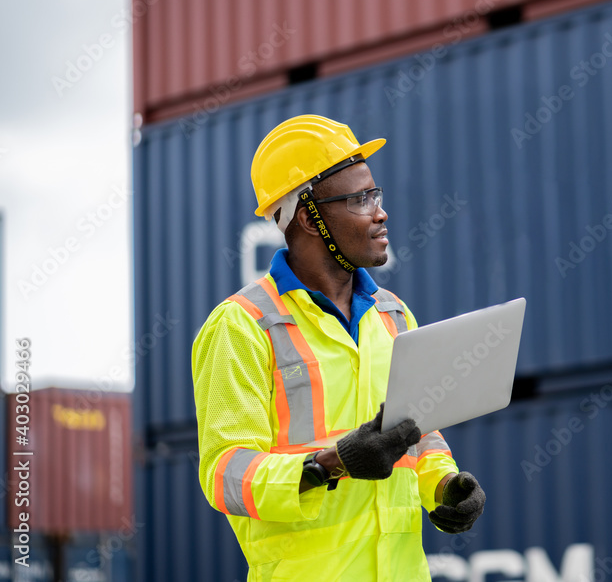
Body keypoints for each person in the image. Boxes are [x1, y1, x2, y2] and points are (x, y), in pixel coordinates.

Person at [191, 114, 486, 581]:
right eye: (360, 199)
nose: (380, 211)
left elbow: (417, 432)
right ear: (309, 218)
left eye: (377, 194)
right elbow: (224, 475)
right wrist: (333, 464)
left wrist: (445, 484)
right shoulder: (241, 326)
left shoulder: (393, 314)